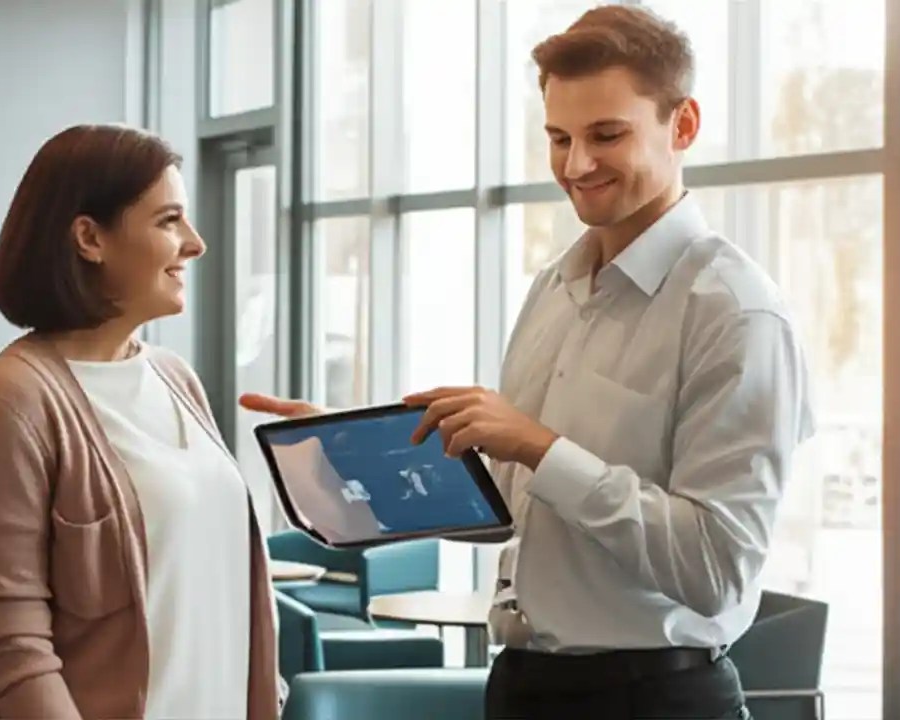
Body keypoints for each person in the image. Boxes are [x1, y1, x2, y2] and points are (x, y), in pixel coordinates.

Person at [242, 6, 812, 719]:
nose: (576, 166)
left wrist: (544, 449)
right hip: (523, 686)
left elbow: (718, 569)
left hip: (656, 700)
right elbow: (512, 505)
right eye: (559, 138)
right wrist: (362, 448)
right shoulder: (555, 287)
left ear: (684, 125)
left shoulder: (734, 312)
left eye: (607, 135)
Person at [0, 124, 280, 720]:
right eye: (168, 220)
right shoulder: (10, 401)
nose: (195, 243)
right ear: (89, 238)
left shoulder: (177, 379)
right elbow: (14, 646)